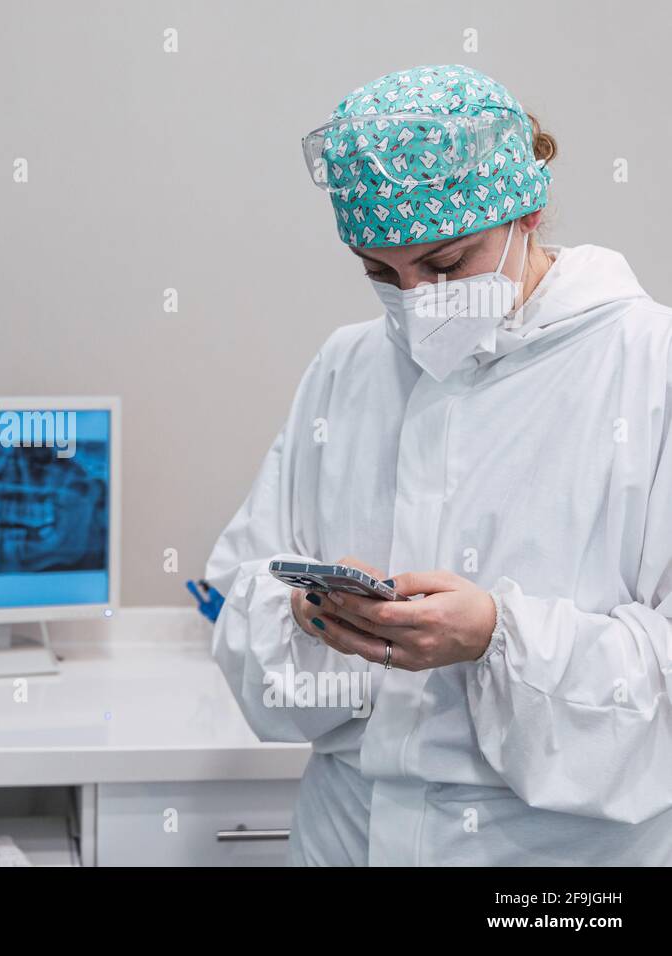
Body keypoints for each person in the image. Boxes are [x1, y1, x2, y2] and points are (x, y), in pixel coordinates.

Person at [206, 64, 672, 866]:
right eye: (381, 274)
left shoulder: (647, 365)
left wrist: (496, 635)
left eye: (447, 264)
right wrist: (313, 617)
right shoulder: (348, 365)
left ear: (526, 213)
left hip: (554, 859)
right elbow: (240, 594)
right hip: (348, 832)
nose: (417, 298)